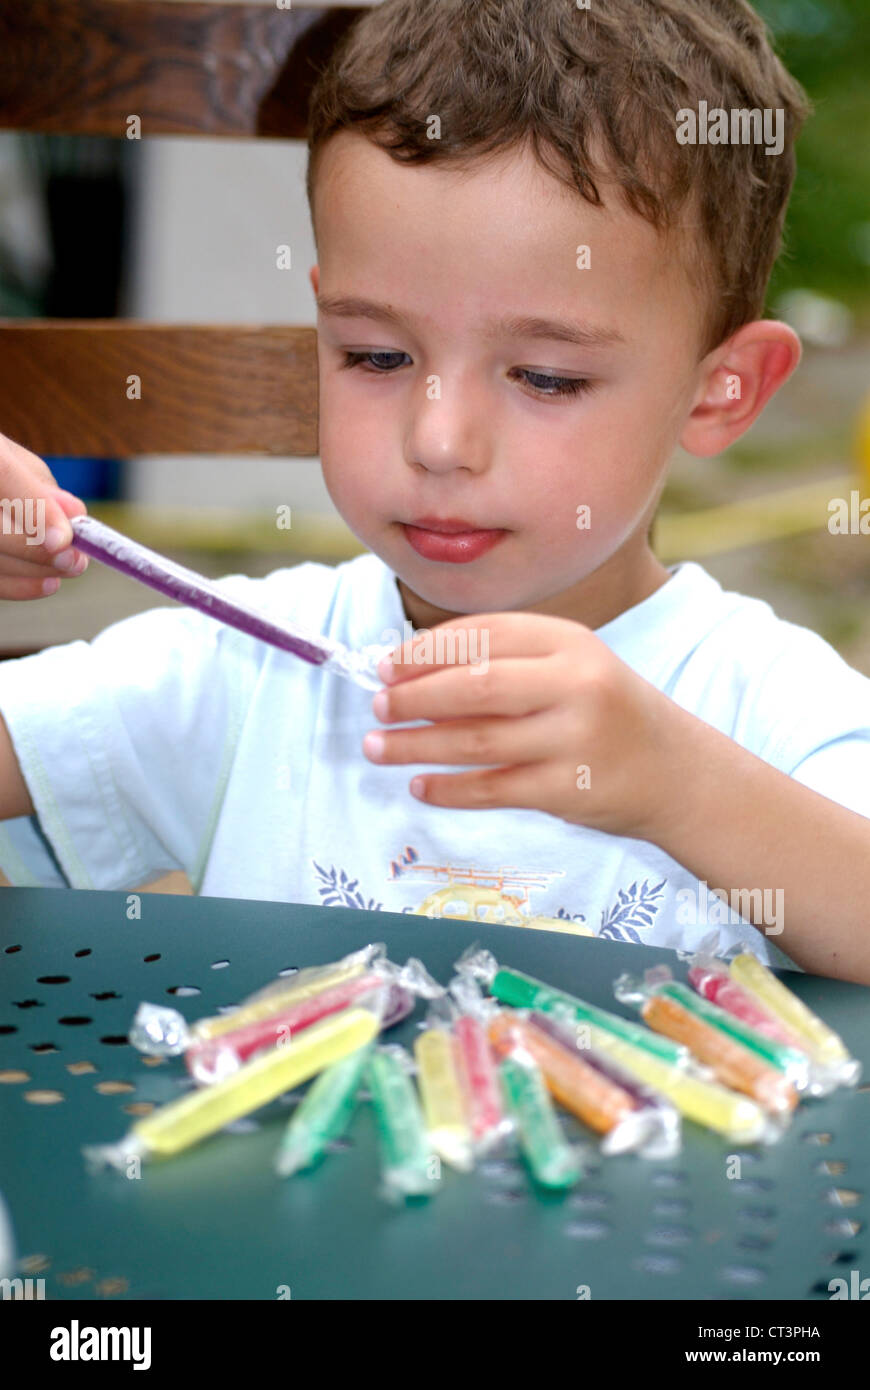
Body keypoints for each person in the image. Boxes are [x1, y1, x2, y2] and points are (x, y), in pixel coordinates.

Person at [1, 0, 868, 982]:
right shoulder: (250, 668)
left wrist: (675, 783)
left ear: (723, 390)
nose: (439, 439)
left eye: (547, 377)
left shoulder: (762, 702)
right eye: (376, 354)